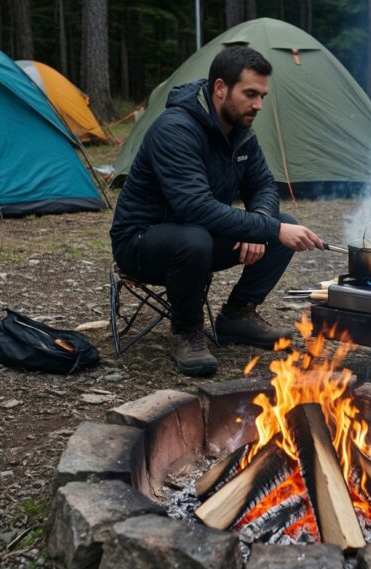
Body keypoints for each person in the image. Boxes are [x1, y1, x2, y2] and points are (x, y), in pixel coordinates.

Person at [110, 46, 324, 377]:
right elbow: (194, 206)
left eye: (263, 95)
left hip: (200, 236)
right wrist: (261, 229)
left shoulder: (241, 133)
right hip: (141, 241)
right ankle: (186, 331)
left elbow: (264, 186)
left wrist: (264, 224)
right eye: (250, 94)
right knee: (197, 238)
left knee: (285, 225)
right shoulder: (175, 129)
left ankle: (237, 315)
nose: (258, 105)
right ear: (220, 88)